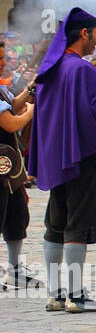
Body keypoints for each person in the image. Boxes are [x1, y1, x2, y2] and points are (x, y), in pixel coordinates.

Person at [29, 7, 96, 312]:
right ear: (83, 33)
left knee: (55, 224)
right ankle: (77, 295)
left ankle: (55, 294)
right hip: (82, 154)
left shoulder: (51, 67)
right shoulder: (82, 70)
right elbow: (94, 114)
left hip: (57, 154)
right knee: (77, 225)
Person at [0, 82, 40, 292]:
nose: (3, 63)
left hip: (8, 166)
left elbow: (11, 106)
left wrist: (30, 89)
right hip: (2, 164)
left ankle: (15, 271)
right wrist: (31, 112)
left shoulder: (1, 88)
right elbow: (10, 124)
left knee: (17, 215)